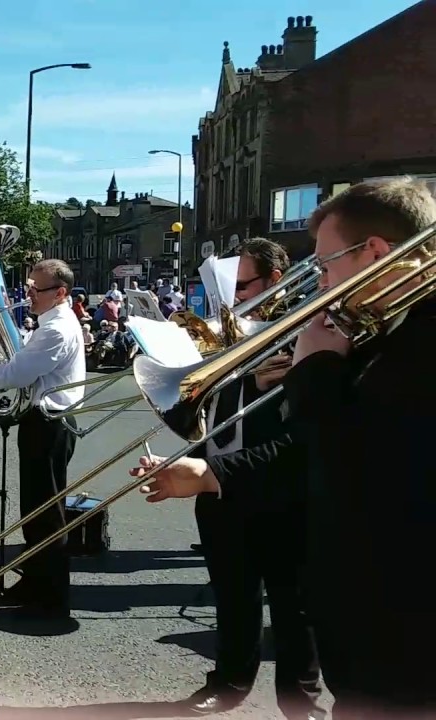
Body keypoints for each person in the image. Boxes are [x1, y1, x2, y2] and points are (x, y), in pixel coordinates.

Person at [135, 177, 436, 719]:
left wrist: (315, 371)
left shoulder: (415, 340)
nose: (318, 281)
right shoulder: (373, 333)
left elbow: (357, 462)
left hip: (402, 633)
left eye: (324, 264)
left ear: (374, 253)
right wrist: (211, 473)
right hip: (370, 627)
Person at [180, 238, 322, 719]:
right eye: (228, 285)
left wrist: (263, 380)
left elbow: (302, 419)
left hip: (274, 484)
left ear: (275, 280)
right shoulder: (226, 330)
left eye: (243, 285)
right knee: (232, 593)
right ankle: (229, 681)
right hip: (218, 481)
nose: (234, 296)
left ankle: (299, 700)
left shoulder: (303, 328)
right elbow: (199, 400)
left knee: (290, 601)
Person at [0, 258, 85, 619]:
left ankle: (49, 592)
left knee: (45, 511)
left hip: (49, 422)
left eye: (36, 288)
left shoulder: (57, 328)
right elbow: (26, 352)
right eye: (28, 286)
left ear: (60, 293)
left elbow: (16, 373)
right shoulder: (50, 323)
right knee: (36, 509)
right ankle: (37, 581)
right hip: (43, 421)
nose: (27, 293)